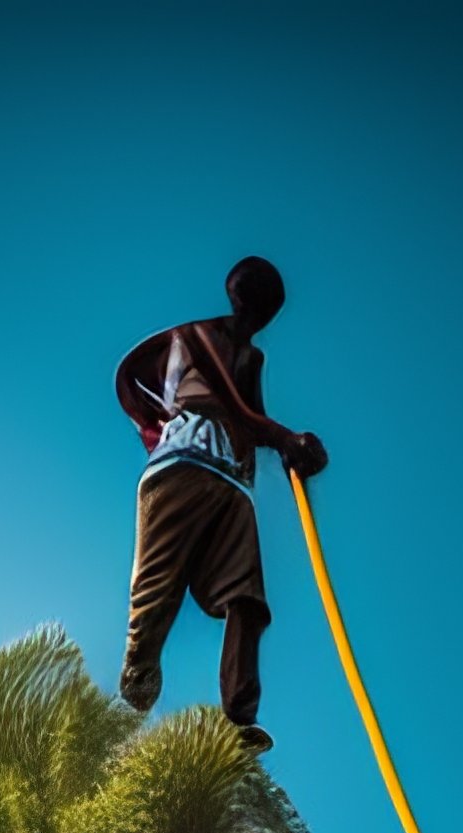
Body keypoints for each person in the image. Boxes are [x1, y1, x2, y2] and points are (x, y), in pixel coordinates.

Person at [114, 256, 329, 755]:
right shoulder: (198, 337)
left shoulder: (253, 359)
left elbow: (252, 417)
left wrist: (292, 451)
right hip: (182, 465)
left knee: (247, 599)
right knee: (157, 585)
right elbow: (232, 404)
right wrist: (283, 437)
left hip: (231, 482)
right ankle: (137, 678)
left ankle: (239, 717)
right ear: (236, 296)